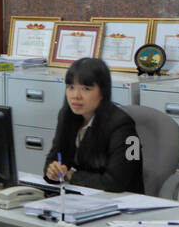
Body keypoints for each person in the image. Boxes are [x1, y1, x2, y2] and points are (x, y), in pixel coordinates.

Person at [44, 57, 143, 193]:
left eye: (86, 89)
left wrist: (71, 175)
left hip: (121, 200)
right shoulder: (67, 116)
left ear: (102, 92)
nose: (76, 96)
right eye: (71, 87)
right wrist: (53, 172)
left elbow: (116, 182)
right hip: (83, 195)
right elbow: (55, 158)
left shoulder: (123, 125)